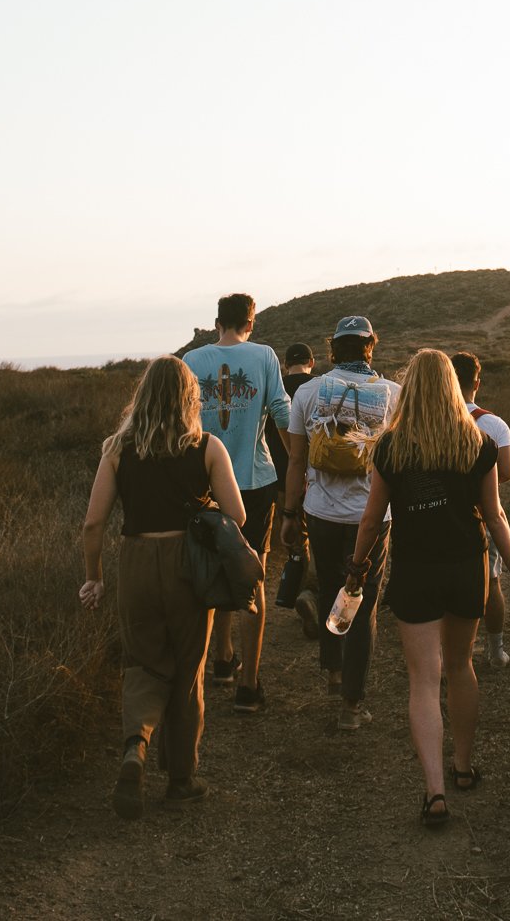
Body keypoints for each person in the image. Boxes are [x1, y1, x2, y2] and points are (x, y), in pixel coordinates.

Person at [347, 348, 510, 827]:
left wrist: (357, 566)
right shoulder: (478, 445)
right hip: (465, 568)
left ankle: (434, 793)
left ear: (410, 390)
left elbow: (371, 520)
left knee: (424, 680)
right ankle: (464, 768)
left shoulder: (390, 448)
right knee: (460, 666)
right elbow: (495, 516)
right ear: (453, 386)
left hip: (416, 572)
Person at [78, 356, 249, 818]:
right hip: (187, 567)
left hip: (135, 562)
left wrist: (94, 576)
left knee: (144, 664)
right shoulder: (207, 447)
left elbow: (94, 524)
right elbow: (238, 516)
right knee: (188, 668)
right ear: (190, 397)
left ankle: (135, 747)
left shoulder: (117, 448)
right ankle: (181, 779)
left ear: (143, 394)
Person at [282, 316, 397, 732]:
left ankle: (333, 672)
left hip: (321, 512)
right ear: (370, 346)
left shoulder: (309, 392)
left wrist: (290, 514)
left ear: (333, 348)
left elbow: (296, 460)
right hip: (372, 515)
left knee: (331, 588)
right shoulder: (392, 394)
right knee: (361, 602)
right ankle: (352, 704)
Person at [181, 293, 292, 714]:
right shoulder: (264, 356)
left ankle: (222, 660)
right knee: (252, 573)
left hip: (206, 482)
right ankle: (248, 685)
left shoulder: (193, 361)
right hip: (253, 480)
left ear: (216, 323)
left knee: (214, 567)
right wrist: (299, 460)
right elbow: (281, 412)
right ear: (252, 321)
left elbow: (184, 421)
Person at [451, 351, 510, 667]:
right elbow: (506, 472)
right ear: (477, 381)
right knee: (491, 582)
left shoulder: (431, 419)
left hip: (436, 514)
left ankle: (441, 654)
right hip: (479, 514)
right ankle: (495, 651)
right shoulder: (493, 423)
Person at [276, 342, 318, 626]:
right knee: (318, 539)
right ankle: (311, 593)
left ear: (285, 363)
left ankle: (298, 587)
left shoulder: (276, 389)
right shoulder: (319, 387)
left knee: (295, 537)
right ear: (312, 362)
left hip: (280, 477)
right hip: (316, 475)